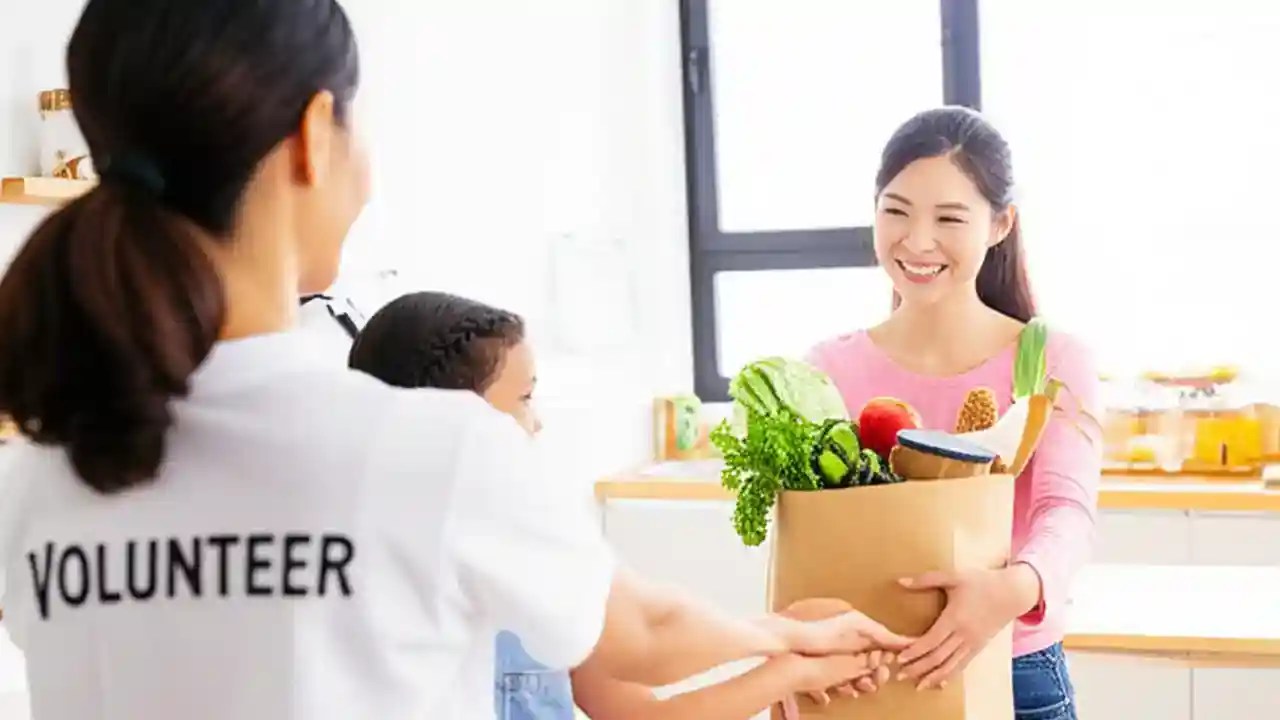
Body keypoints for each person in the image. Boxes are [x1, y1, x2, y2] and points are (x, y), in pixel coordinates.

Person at [0, 2, 907, 719]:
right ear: (316, 135)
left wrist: (779, 643)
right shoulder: (430, 448)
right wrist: (791, 642)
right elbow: (638, 632)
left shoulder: (35, 477)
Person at [349, 292, 898, 719]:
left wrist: (793, 667)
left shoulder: (526, 544)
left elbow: (638, 711)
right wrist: (792, 634)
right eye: (522, 399)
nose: (536, 423)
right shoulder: (392, 555)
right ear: (451, 416)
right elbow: (655, 631)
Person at [806, 107, 1101, 720]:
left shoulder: (1051, 359)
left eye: (949, 218)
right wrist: (791, 654)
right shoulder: (826, 369)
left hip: (1015, 669)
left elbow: (1066, 510)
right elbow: (811, 538)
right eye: (896, 211)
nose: (917, 242)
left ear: (999, 224)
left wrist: (1011, 590)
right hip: (862, 673)